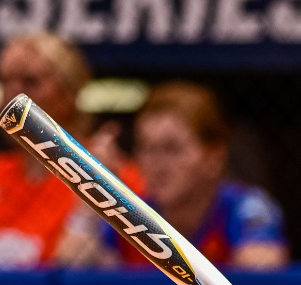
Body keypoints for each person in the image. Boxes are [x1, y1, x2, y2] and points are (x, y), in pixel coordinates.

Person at [0, 33, 136, 269]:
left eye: (31, 82)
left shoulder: (109, 173)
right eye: (4, 82)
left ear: (69, 94)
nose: (12, 96)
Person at [60, 81, 285, 271]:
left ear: (213, 158)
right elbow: (70, 270)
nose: (157, 165)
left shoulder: (246, 207)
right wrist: (89, 197)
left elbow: (262, 272)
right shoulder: (132, 216)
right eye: (147, 148)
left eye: (172, 149)